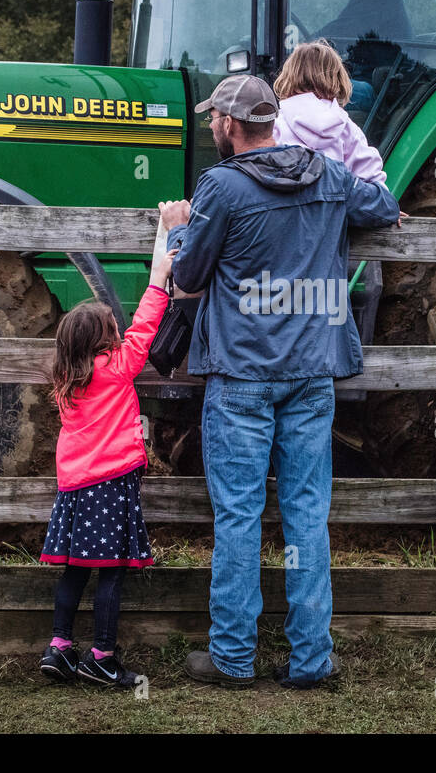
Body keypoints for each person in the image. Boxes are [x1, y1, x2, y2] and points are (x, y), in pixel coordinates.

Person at [159, 73, 400, 689]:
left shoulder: (222, 185)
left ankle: (234, 658)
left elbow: (186, 273)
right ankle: (311, 659)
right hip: (312, 371)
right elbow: (385, 206)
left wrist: (179, 226)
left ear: (231, 126)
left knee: (238, 515)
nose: (212, 124)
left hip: (242, 372)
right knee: (306, 515)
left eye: (215, 117)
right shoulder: (326, 175)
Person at [37, 233, 177, 689]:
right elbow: (146, 324)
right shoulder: (116, 369)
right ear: (103, 343)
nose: (119, 334)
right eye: (112, 332)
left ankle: (59, 647)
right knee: (112, 575)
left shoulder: (66, 379)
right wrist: (161, 270)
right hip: (111, 485)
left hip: (75, 490)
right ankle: (102, 657)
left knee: (75, 570)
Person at [273, 39, 386, 185]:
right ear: (338, 78)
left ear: (288, 76)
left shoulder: (276, 126)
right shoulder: (348, 129)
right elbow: (373, 182)